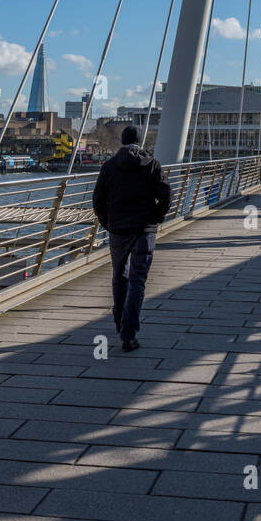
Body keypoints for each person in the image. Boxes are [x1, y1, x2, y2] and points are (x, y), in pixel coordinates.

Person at [92, 124, 171, 352]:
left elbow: (97, 200)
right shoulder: (152, 165)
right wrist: (156, 216)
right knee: (138, 280)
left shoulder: (109, 166)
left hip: (118, 229)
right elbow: (165, 193)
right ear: (140, 141)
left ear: (122, 142)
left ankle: (119, 321)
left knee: (120, 275)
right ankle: (129, 334)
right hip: (144, 229)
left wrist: (109, 223)